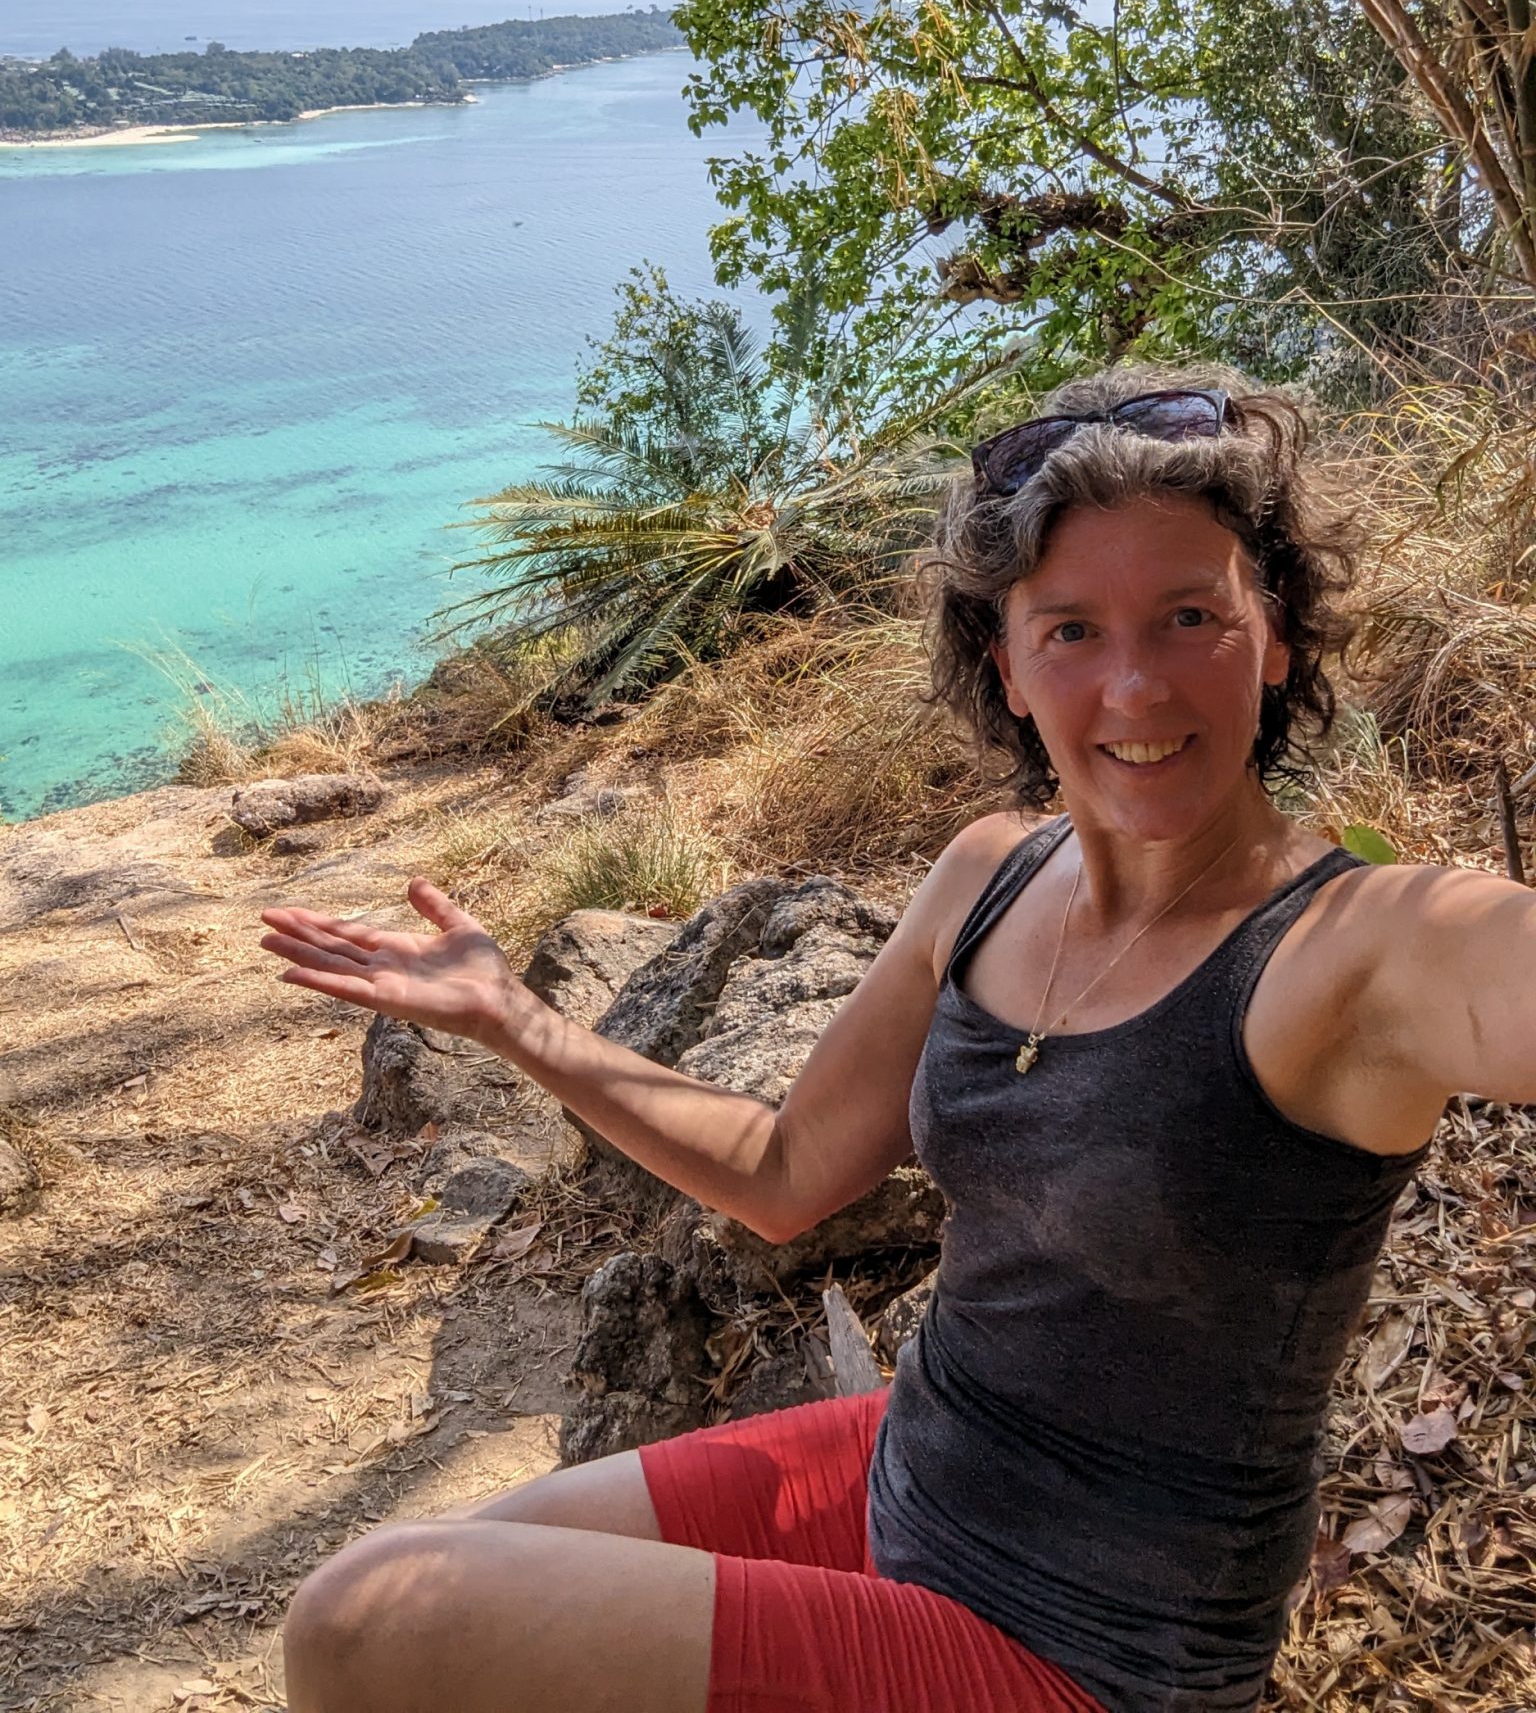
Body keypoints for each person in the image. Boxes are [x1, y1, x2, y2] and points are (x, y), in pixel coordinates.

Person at [258, 366, 1536, 1713]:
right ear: (1008, 664)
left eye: (1189, 617)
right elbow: (786, 1168)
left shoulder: (1359, 950)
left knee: (368, 1624)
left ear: (1272, 636)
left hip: (1090, 1652)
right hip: (907, 1469)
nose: (1137, 686)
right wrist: (514, 1019)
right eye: (1072, 632)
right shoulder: (991, 874)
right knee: (442, 1574)